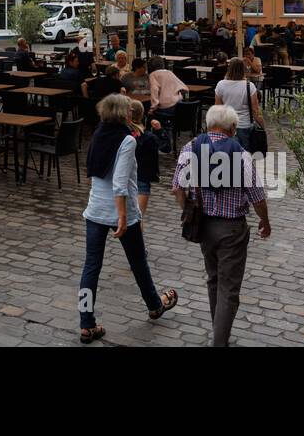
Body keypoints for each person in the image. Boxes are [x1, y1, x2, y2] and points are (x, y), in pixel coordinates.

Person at [77, 94, 178, 343]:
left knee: (91, 268)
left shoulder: (98, 135)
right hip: (121, 212)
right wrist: (122, 217)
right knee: (138, 263)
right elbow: (120, 184)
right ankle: (155, 305)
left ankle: (86, 322)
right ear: (124, 114)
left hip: (95, 210)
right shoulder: (126, 140)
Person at [172, 105, 271, 347]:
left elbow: (177, 187)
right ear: (233, 128)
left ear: (208, 124)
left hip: (204, 225)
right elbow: (257, 195)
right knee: (229, 288)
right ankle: (220, 340)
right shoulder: (242, 154)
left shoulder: (191, 147)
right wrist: (264, 220)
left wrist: (188, 209)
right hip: (232, 228)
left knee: (213, 279)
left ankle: (219, 332)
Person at [214, 57, 264, 153]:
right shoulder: (249, 86)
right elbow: (255, 111)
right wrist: (263, 126)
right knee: (245, 157)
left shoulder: (221, 85)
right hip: (244, 125)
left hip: (227, 126)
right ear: (243, 69)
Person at [128, 97, 163, 209]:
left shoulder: (121, 133)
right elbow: (165, 147)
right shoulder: (148, 137)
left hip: (124, 178)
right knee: (138, 219)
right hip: (142, 177)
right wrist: (159, 130)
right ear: (142, 115)